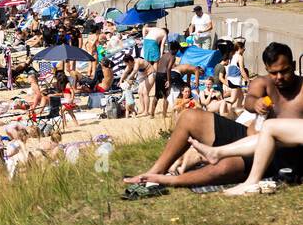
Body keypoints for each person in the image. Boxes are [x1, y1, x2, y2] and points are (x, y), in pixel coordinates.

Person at [125, 42, 303, 188]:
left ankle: (170, 181)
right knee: (189, 117)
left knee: (225, 166)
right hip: (246, 135)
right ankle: (156, 171)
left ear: (294, 66)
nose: (279, 77)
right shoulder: (263, 83)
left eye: (285, 71)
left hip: (275, 153)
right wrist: (255, 104)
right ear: (266, 69)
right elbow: (250, 101)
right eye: (274, 72)